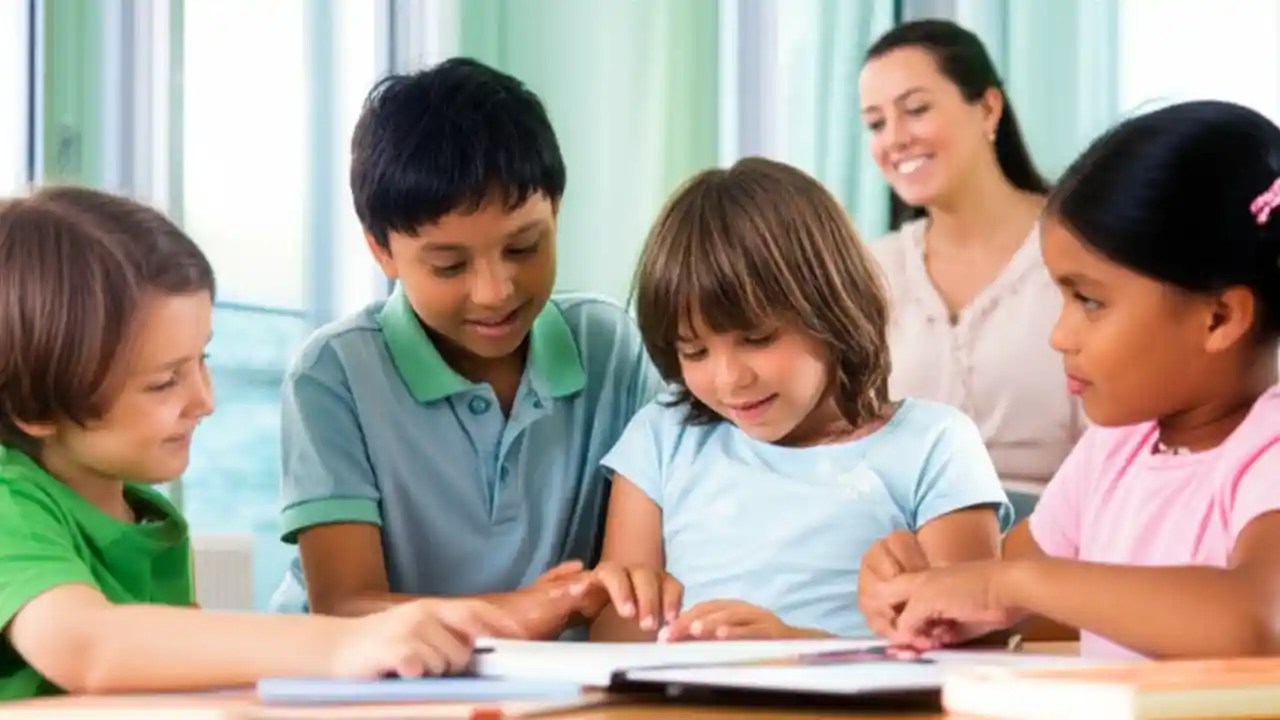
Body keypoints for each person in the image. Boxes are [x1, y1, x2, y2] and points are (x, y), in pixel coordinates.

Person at [0, 188, 518, 700]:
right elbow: (88, 646)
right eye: (163, 382)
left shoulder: (144, 516)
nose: (205, 400)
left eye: (201, 360)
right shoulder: (9, 504)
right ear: (36, 406)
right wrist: (345, 642)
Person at [861, 101, 1280, 659]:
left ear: (1219, 319)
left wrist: (1007, 585)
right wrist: (929, 597)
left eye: (1089, 301)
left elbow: (1260, 621)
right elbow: (1015, 603)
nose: (1059, 335)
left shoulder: (1266, 451)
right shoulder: (1115, 448)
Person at [269, 58, 664, 640]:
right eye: (449, 266)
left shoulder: (612, 349)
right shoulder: (334, 375)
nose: (494, 291)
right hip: (367, 676)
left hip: (550, 677)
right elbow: (344, 604)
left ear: (555, 211)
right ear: (382, 251)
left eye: (524, 248)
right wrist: (512, 614)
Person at [566, 158, 1011, 642]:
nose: (730, 380)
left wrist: (795, 647)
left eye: (757, 339)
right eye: (694, 351)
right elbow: (616, 639)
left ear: (832, 308)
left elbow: (965, 645)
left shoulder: (934, 445)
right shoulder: (662, 436)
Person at [859, 20, 1082, 501]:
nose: (894, 138)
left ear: (987, 108)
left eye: (916, 110)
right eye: (876, 123)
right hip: (907, 529)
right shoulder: (873, 271)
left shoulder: (1084, 250)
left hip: (1060, 527)